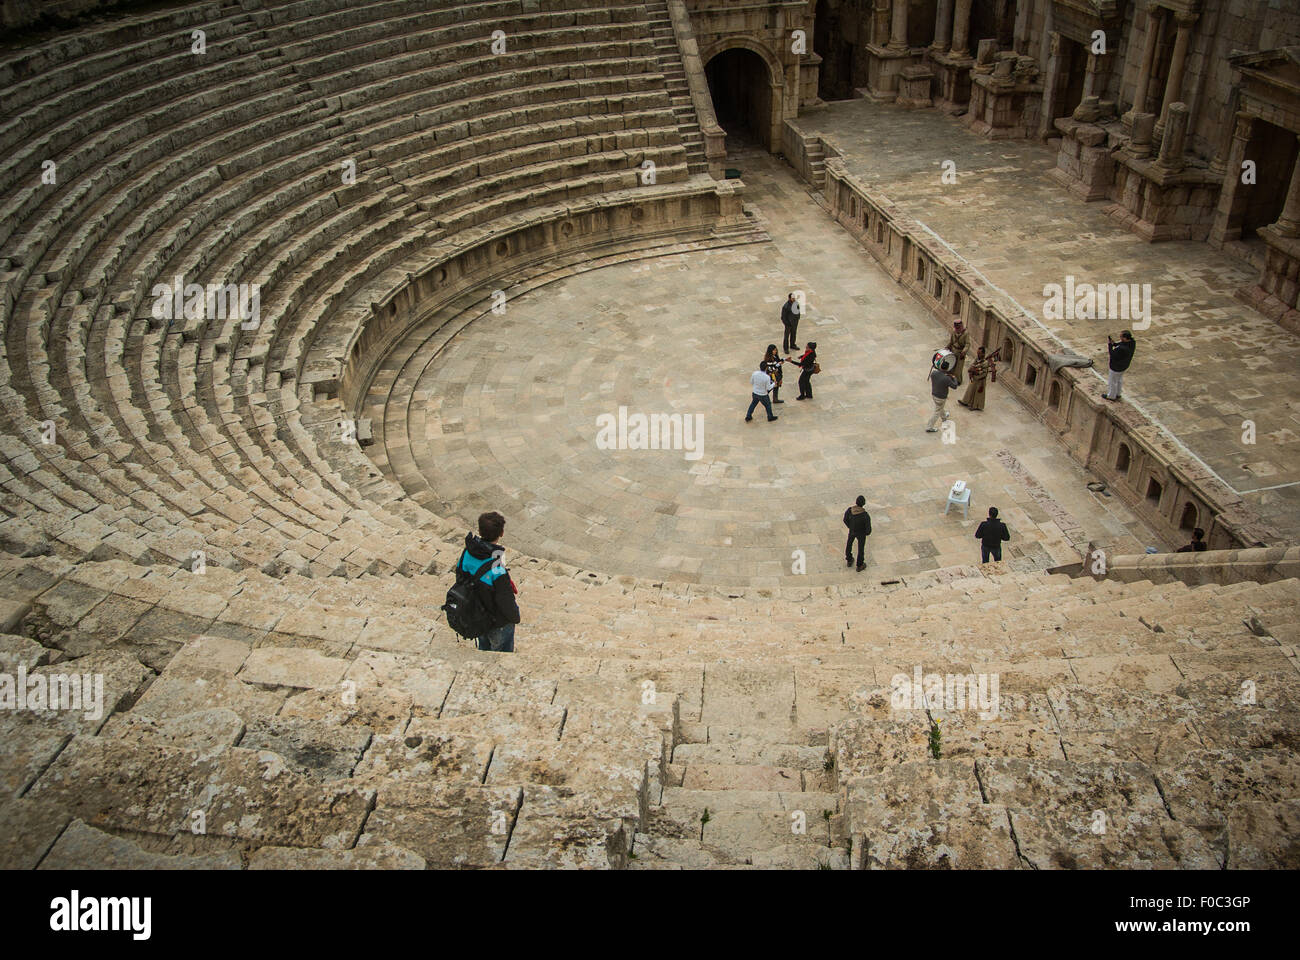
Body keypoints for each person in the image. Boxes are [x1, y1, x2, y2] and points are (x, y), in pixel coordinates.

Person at [455, 511, 521, 652]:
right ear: (501, 533)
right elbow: (504, 597)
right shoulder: (496, 567)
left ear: (479, 531)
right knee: (501, 653)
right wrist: (515, 616)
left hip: (476, 613)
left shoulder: (467, 552)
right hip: (496, 621)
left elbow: (460, 577)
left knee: (484, 645)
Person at [1102, 330, 1136, 402]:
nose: (1120, 338)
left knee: (1113, 381)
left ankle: (1111, 396)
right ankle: (1118, 393)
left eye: (1121, 337)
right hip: (1124, 365)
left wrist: (1110, 346)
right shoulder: (1132, 342)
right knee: (1119, 379)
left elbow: (1113, 354)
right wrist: (1114, 344)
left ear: (1125, 338)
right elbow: (1122, 344)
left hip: (1116, 367)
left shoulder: (1122, 349)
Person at [926, 361, 959, 432]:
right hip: (941, 397)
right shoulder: (946, 378)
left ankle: (944, 417)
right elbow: (955, 386)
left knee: (940, 407)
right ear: (947, 368)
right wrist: (954, 378)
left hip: (934, 394)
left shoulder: (934, 373)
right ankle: (929, 426)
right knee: (937, 412)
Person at [957, 346, 993, 411]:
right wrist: (971, 369)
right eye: (977, 353)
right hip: (974, 378)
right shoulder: (977, 359)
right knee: (970, 389)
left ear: (983, 354)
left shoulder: (985, 363)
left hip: (980, 380)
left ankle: (976, 406)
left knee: (978, 393)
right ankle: (965, 401)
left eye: (979, 353)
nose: (978, 354)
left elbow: (984, 373)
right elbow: (973, 364)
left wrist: (976, 373)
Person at [843, 495, 872, 571]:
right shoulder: (865, 515)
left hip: (852, 531)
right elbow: (868, 529)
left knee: (849, 544)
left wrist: (850, 527)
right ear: (863, 503)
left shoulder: (850, 510)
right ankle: (859, 565)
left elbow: (845, 519)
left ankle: (849, 559)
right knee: (860, 549)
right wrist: (866, 533)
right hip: (861, 533)